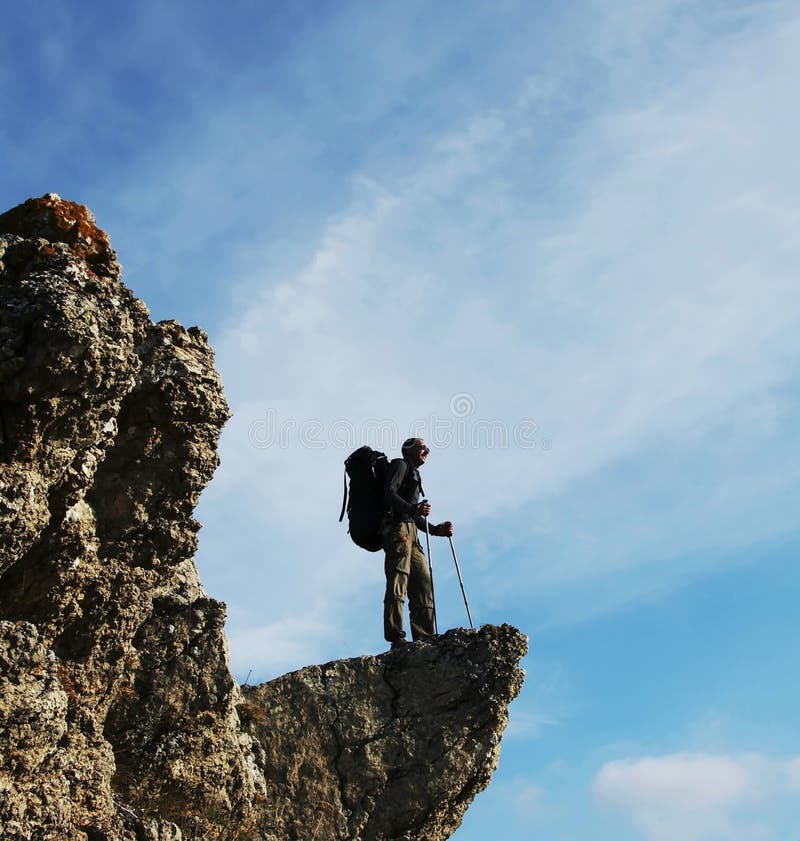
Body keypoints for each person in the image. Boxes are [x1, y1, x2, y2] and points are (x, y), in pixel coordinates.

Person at [382, 437, 454, 649]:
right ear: (408, 449)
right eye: (423, 447)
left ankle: (425, 638)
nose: (427, 451)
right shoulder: (400, 465)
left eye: (427, 448)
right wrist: (414, 509)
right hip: (398, 530)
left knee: (423, 581)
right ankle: (396, 636)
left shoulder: (414, 472)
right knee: (399, 579)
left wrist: (434, 530)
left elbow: (412, 513)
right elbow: (389, 495)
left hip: (411, 531)